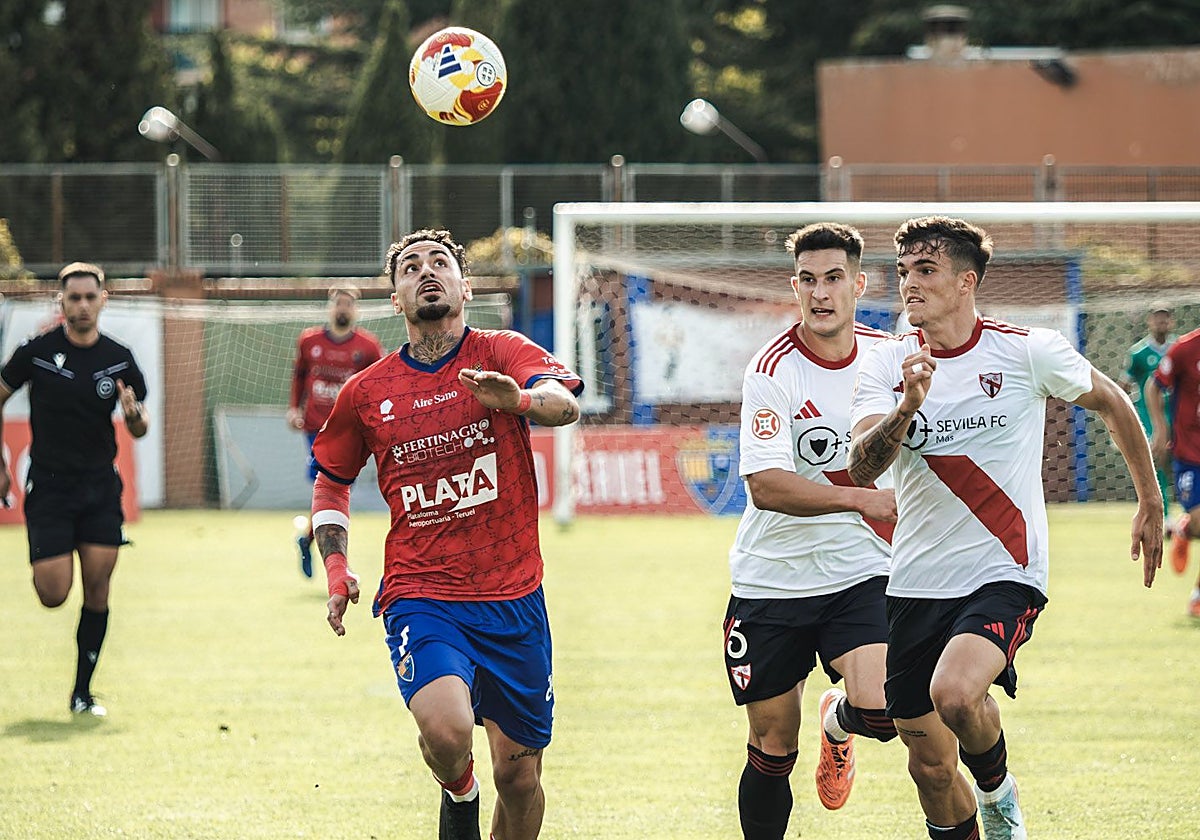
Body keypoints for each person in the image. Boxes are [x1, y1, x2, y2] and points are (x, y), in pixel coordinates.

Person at [847, 216, 1162, 840]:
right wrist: (909, 406)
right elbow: (861, 466)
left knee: (958, 695)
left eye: (926, 271)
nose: (909, 284)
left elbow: (1113, 401)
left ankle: (998, 795)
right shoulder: (883, 362)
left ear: (967, 282)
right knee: (931, 770)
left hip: (1006, 569)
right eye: (904, 271)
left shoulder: (1024, 350)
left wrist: (1150, 499)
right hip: (915, 581)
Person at [310, 229, 582, 840]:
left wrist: (519, 401)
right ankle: (458, 786)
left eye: (440, 263)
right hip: (422, 593)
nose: (426, 272)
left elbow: (567, 405)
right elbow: (330, 483)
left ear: (464, 285)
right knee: (447, 729)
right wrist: (336, 570)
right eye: (410, 268)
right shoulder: (366, 392)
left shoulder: (502, 351)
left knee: (520, 782)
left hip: (514, 598)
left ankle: (481, 791)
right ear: (396, 298)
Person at [723, 223, 899, 840]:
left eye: (833, 278)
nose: (820, 293)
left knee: (885, 708)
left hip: (859, 570)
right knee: (772, 747)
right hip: (772, 580)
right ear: (794, 286)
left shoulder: (892, 356)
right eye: (807, 280)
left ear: (859, 282)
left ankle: (840, 722)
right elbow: (765, 487)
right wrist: (864, 500)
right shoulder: (771, 370)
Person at [0, 262, 150, 718]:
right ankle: (47, 556)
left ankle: (82, 693)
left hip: (100, 488)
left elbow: (140, 428)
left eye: (90, 297)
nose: (82, 305)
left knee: (98, 590)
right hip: (48, 486)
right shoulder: (36, 352)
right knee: (53, 592)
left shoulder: (120, 359)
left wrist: (132, 415)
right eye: (74, 298)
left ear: (103, 300)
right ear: (60, 302)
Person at [286, 284, 383, 577]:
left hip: (349, 428)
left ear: (355, 310)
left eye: (348, 304)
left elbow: (376, 385)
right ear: (330, 307)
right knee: (329, 488)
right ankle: (339, 560)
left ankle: (308, 539)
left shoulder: (367, 347)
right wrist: (294, 408)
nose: (343, 308)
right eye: (338, 303)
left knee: (336, 492)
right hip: (316, 426)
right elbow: (299, 375)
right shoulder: (309, 340)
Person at [1146, 325, 1200, 614]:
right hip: (1190, 452)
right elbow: (1154, 386)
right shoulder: (1185, 348)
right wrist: (1160, 427)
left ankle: (1197, 596)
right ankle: (1185, 528)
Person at [1121, 301, 1176, 530]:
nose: (1161, 322)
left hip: (1179, 416)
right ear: (1149, 322)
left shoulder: (1179, 348)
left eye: (1165, 318)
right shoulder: (1139, 353)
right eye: (1157, 317)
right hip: (1151, 418)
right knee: (1158, 463)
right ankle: (1164, 516)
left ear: (1171, 321)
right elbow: (1123, 386)